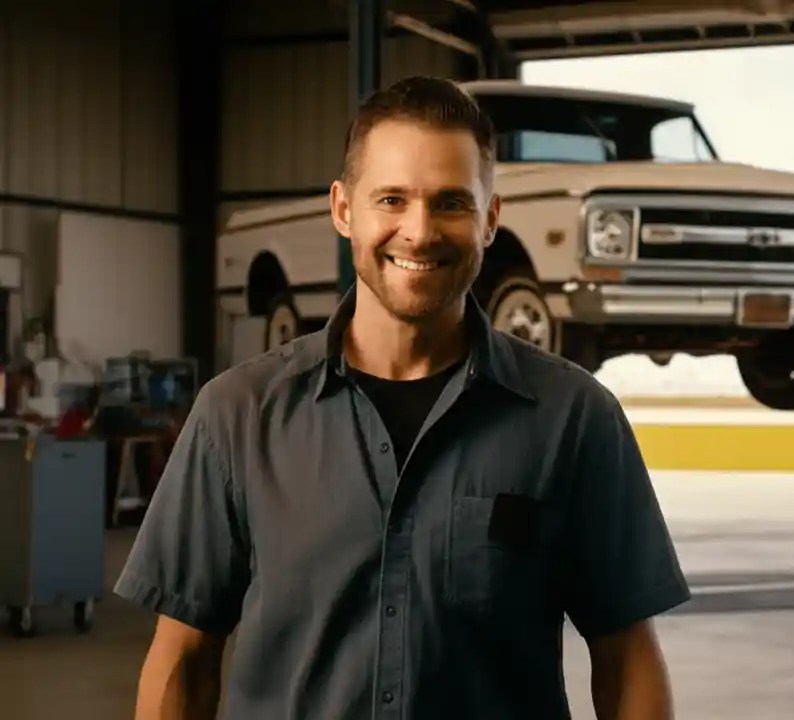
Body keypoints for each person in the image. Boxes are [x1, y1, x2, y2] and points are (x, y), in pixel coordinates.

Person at [115, 76, 690, 719]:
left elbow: (627, 660)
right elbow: (183, 661)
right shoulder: (238, 417)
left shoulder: (575, 420)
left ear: (490, 217)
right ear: (343, 209)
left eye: (451, 203)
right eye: (391, 199)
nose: (418, 232)